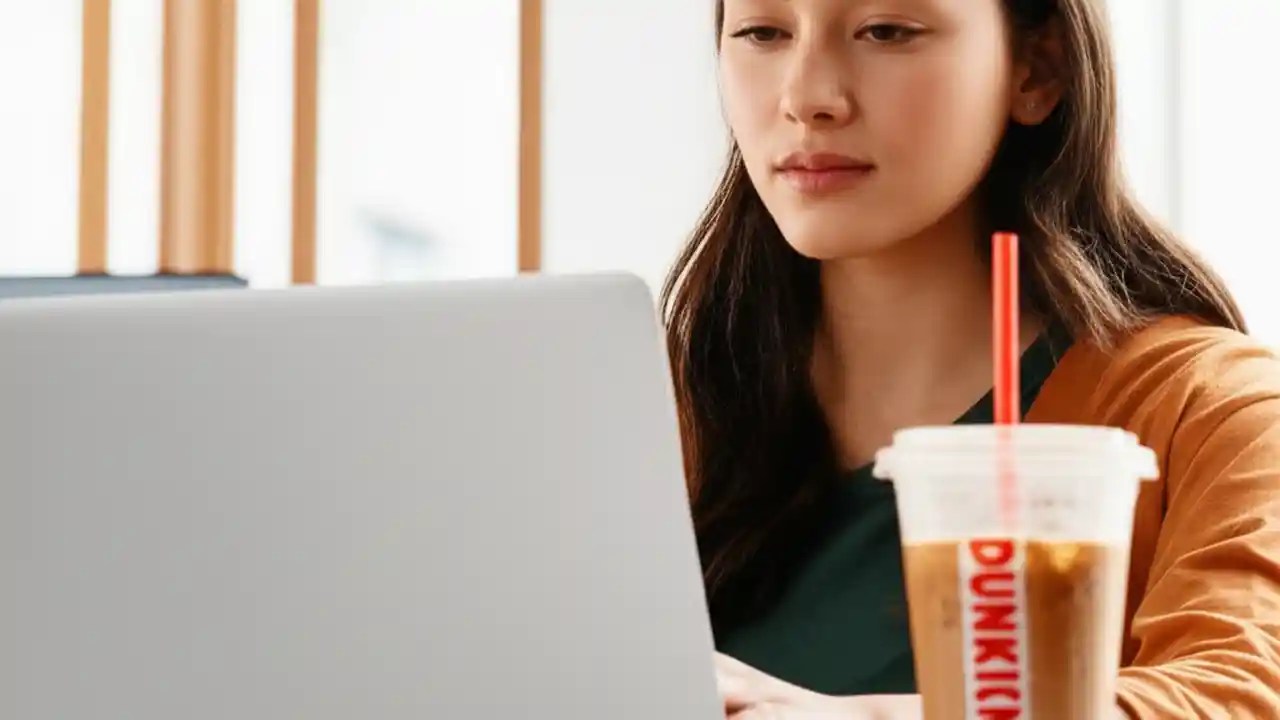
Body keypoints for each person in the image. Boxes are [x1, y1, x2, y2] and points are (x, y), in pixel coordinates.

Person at [659, 0, 1280, 718]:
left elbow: (1244, 691)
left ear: (1036, 69)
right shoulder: (652, 420)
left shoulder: (1213, 413)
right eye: (763, 33)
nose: (805, 99)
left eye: (886, 31)